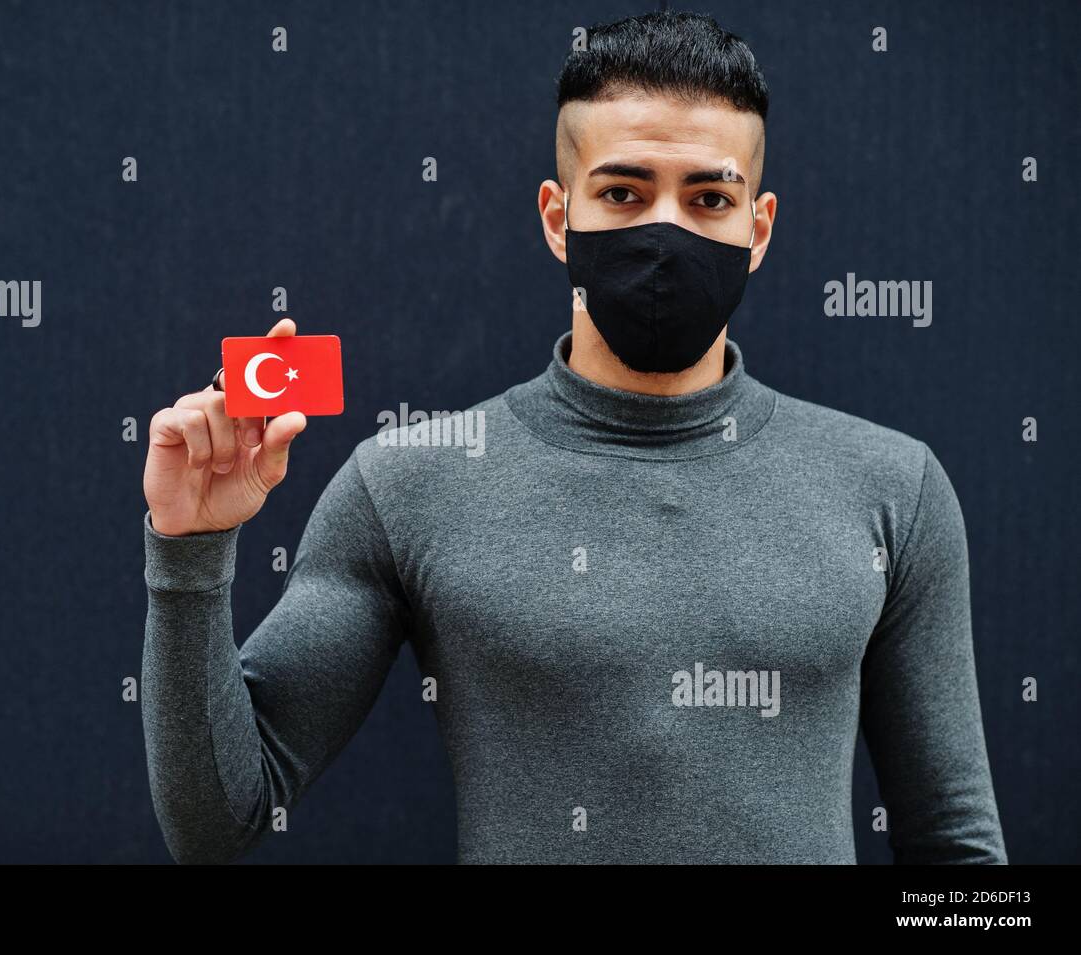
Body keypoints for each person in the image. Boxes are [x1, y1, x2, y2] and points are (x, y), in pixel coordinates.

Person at [139, 11, 1007, 864]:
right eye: (623, 192)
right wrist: (191, 549)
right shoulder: (410, 483)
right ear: (558, 217)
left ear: (758, 228)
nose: (664, 234)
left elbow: (958, 855)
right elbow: (219, 820)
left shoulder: (892, 487)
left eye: (709, 198)